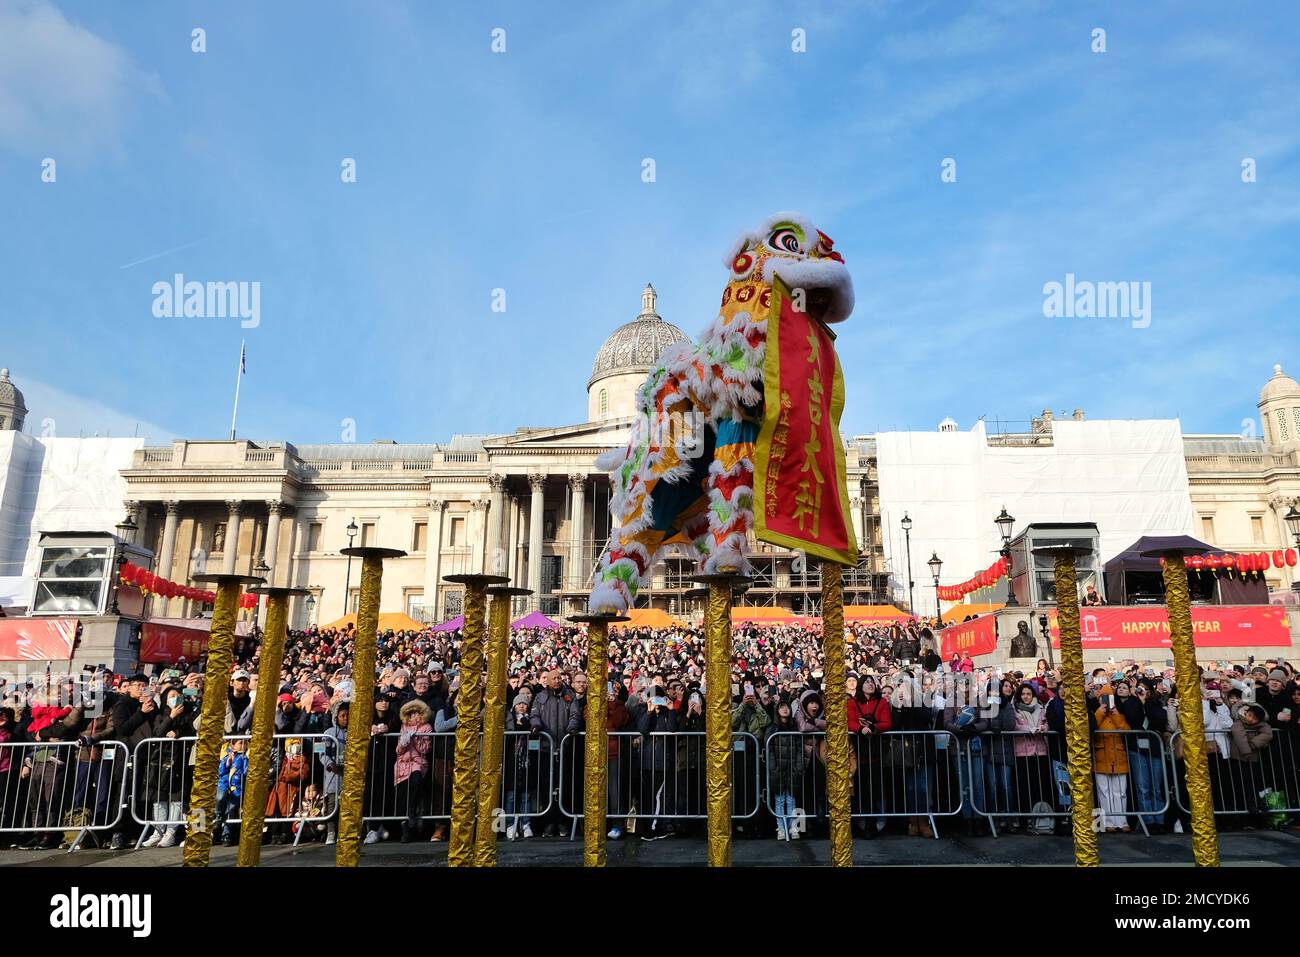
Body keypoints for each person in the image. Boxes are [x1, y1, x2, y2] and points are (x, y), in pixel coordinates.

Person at [1091, 684, 1131, 832]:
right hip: (1101, 756)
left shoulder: (1118, 714)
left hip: (1118, 756)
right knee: (1104, 792)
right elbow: (1091, 727)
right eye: (1103, 698)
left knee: (1120, 791)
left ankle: (1122, 820)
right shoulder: (1096, 713)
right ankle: (1107, 822)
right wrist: (1099, 713)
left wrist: (1115, 714)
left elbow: (1126, 730)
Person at [394, 698, 433, 842]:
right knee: (402, 795)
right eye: (411, 714)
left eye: (417, 713)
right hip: (402, 763)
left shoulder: (426, 727)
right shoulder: (404, 727)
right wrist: (404, 742)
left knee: (416, 782)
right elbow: (398, 750)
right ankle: (405, 830)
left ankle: (412, 811)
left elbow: (425, 749)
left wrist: (415, 739)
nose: (414, 717)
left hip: (417, 762)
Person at [319, 699, 350, 845]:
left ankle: (344, 832)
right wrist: (330, 764)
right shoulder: (328, 732)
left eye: (348, 715)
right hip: (333, 775)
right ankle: (331, 832)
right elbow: (322, 753)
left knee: (347, 804)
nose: (346, 718)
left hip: (349, 774)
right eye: (343, 715)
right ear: (336, 716)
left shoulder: (354, 733)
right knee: (332, 803)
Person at [214, 738, 248, 846]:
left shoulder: (244, 758)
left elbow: (246, 771)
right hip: (224, 785)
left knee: (231, 810)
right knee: (220, 797)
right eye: (240, 743)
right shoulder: (227, 756)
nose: (243, 745)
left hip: (236, 787)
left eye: (245, 743)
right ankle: (218, 816)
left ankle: (226, 835)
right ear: (233, 745)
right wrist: (227, 763)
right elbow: (221, 771)